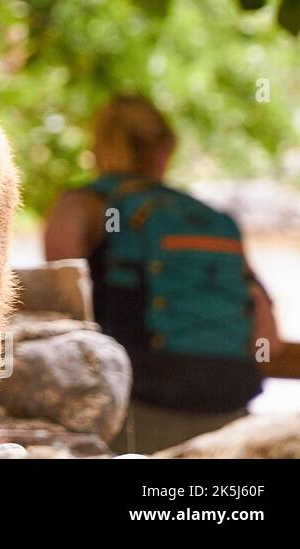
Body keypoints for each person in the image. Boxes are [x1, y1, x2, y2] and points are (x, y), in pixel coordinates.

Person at [44, 95, 282, 453]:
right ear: (165, 149)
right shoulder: (207, 217)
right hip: (229, 408)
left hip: (133, 411)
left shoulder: (82, 206)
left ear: (99, 144)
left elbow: (60, 316)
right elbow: (268, 337)